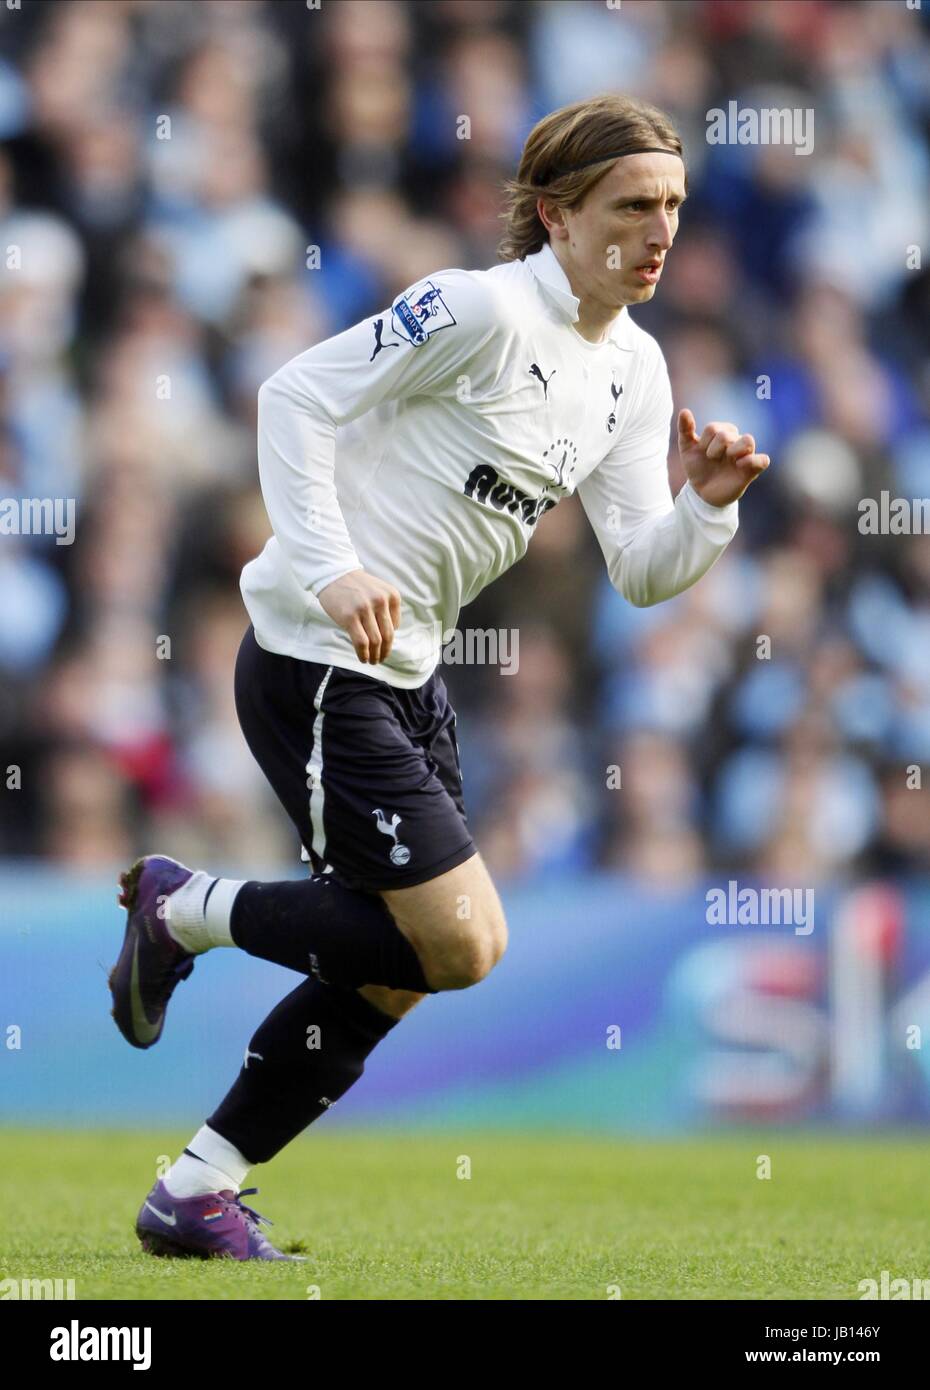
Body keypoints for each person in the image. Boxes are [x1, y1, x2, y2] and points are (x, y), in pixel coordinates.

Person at [109, 92, 769, 1260]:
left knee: (404, 967)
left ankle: (195, 1191)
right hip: (318, 658)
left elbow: (640, 570)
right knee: (463, 943)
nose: (658, 229)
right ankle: (182, 907)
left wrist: (706, 509)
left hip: (408, 676)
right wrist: (331, 564)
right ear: (558, 216)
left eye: (671, 204)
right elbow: (294, 396)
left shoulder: (634, 367)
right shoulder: (480, 308)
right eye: (631, 205)